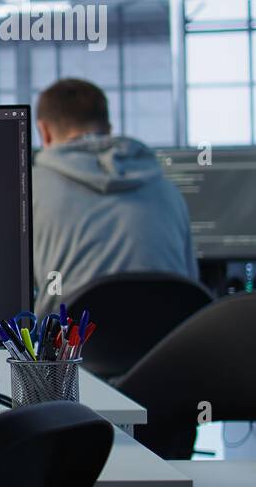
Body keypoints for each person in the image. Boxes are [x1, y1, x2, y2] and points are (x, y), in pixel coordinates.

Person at [32, 78, 197, 315]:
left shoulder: (32, 189)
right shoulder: (167, 190)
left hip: (69, 349)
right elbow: (190, 289)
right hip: (167, 348)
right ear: (108, 129)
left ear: (44, 131)